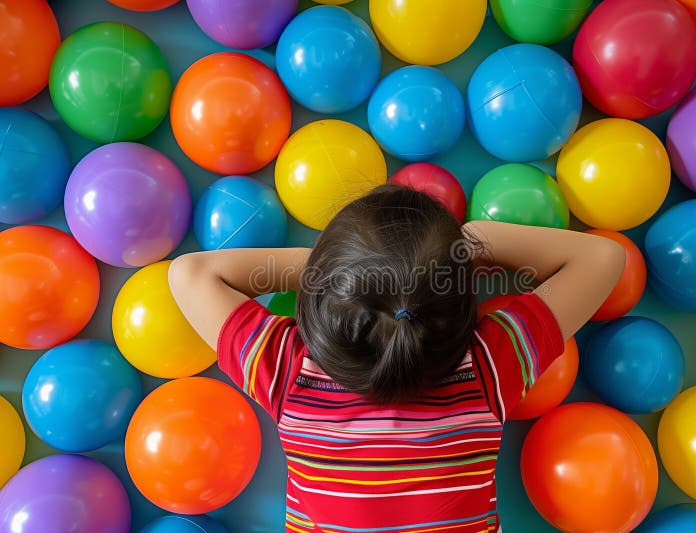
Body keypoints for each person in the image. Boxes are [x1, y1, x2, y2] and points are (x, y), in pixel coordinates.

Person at [169, 184, 625, 532]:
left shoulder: (288, 373)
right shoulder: (488, 368)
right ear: (461, 305)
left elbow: (190, 274)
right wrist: (475, 242)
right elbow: (604, 258)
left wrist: (332, 271)